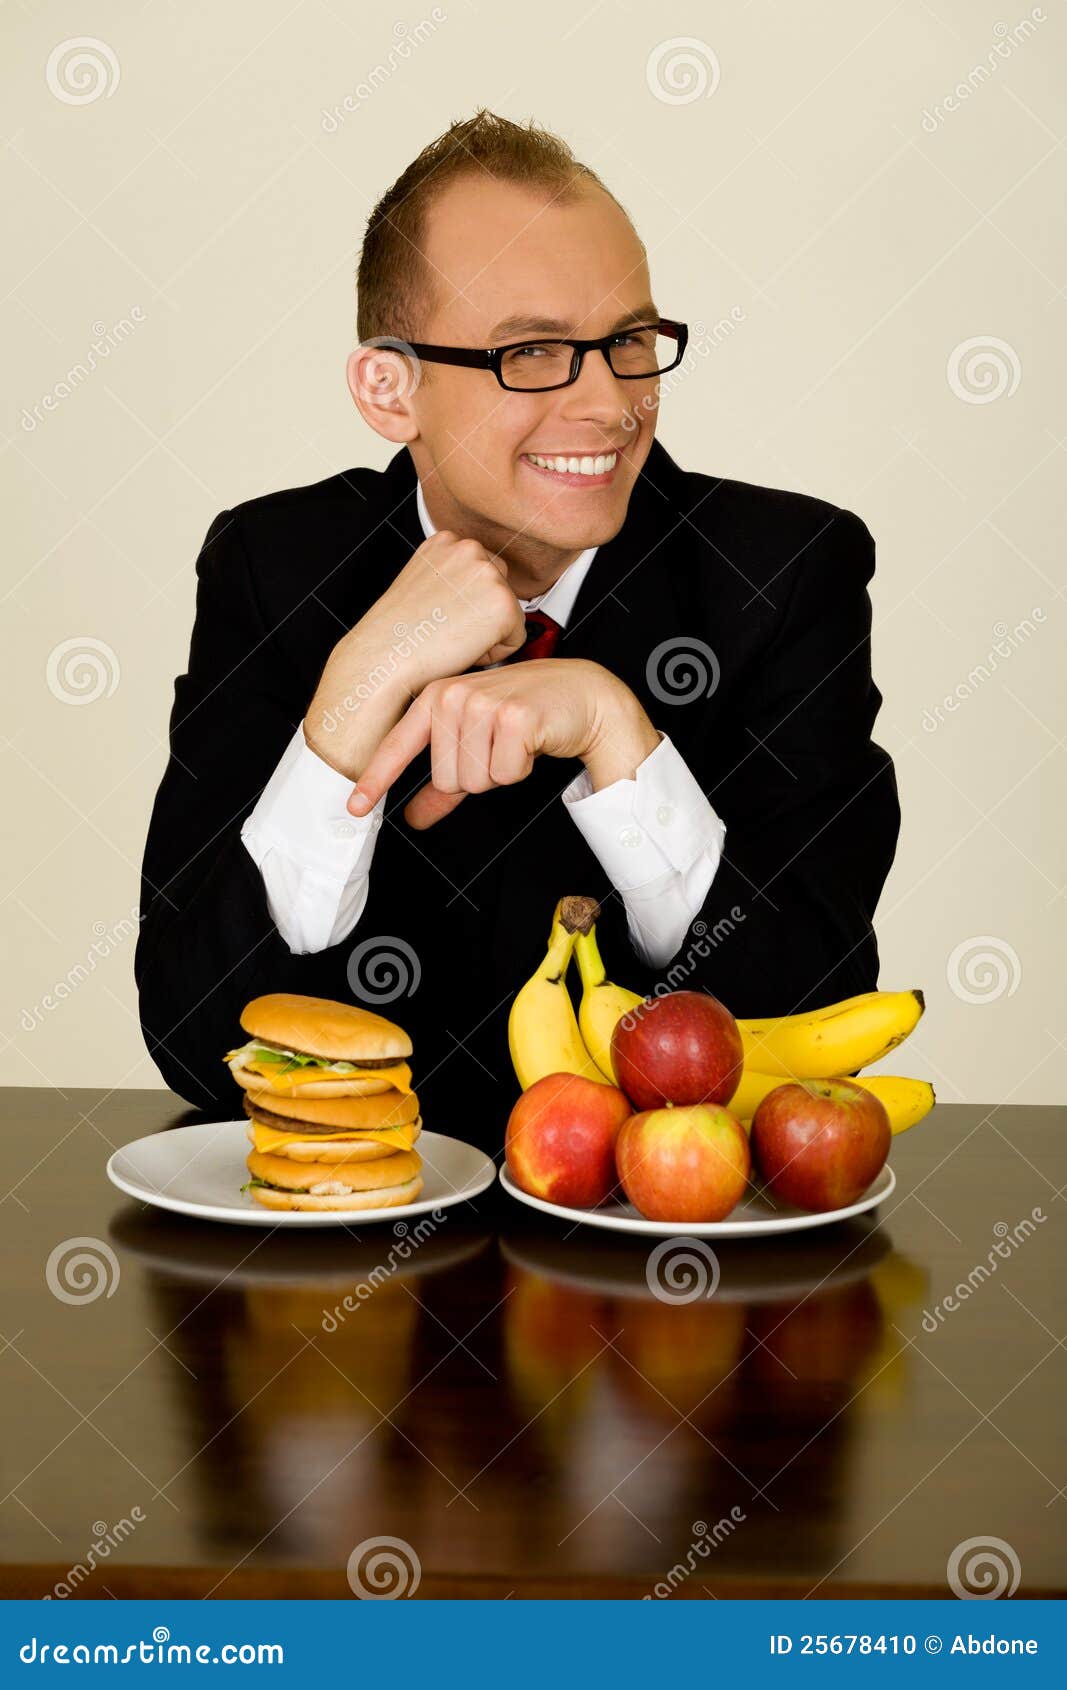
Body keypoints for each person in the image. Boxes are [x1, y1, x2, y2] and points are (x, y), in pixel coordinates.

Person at [135, 110, 899, 1149]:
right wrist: (360, 681)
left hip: (661, 1270)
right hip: (354, 1272)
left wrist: (613, 734)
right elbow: (197, 1038)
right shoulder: (271, 567)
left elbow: (807, 1020)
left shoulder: (783, 571)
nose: (610, 403)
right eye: (531, 352)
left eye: (627, 341)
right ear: (389, 388)